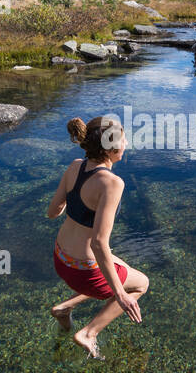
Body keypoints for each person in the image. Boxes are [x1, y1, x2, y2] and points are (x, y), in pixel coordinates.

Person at [46, 115, 148, 358]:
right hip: (84, 270)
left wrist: (75, 203)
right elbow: (99, 243)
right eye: (124, 140)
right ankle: (88, 333)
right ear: (111, 148)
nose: (126, 145)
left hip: (61, 258)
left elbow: (52, 212)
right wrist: (121, 296)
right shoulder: (112, 183)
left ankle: (65, 307)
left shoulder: (74, 166)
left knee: (119, 264)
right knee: (141, 283)